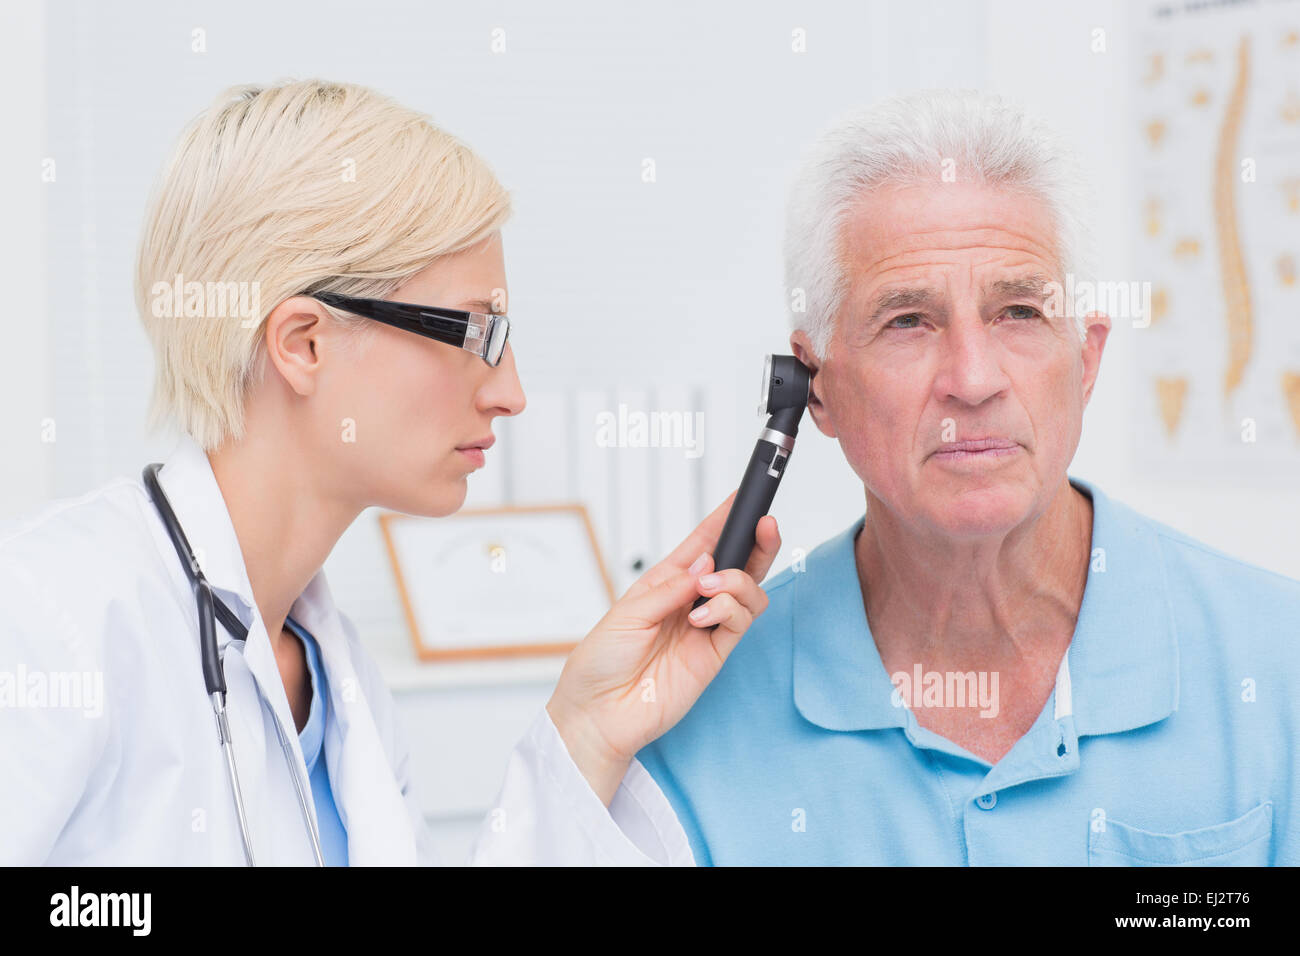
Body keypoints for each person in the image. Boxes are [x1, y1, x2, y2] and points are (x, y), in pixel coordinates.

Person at [0, 79, 778, 865]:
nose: (510, 394)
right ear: (304, 343)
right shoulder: (51, 619)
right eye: (477, 332)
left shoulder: (340, 684)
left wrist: (587, 729)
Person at [635, 89, 1300, 865]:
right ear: (816, 386)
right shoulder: (695, 710)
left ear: (1086, 359)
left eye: (1019, 312)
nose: (974, 379)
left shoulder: (1278, 659)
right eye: (907, 321)